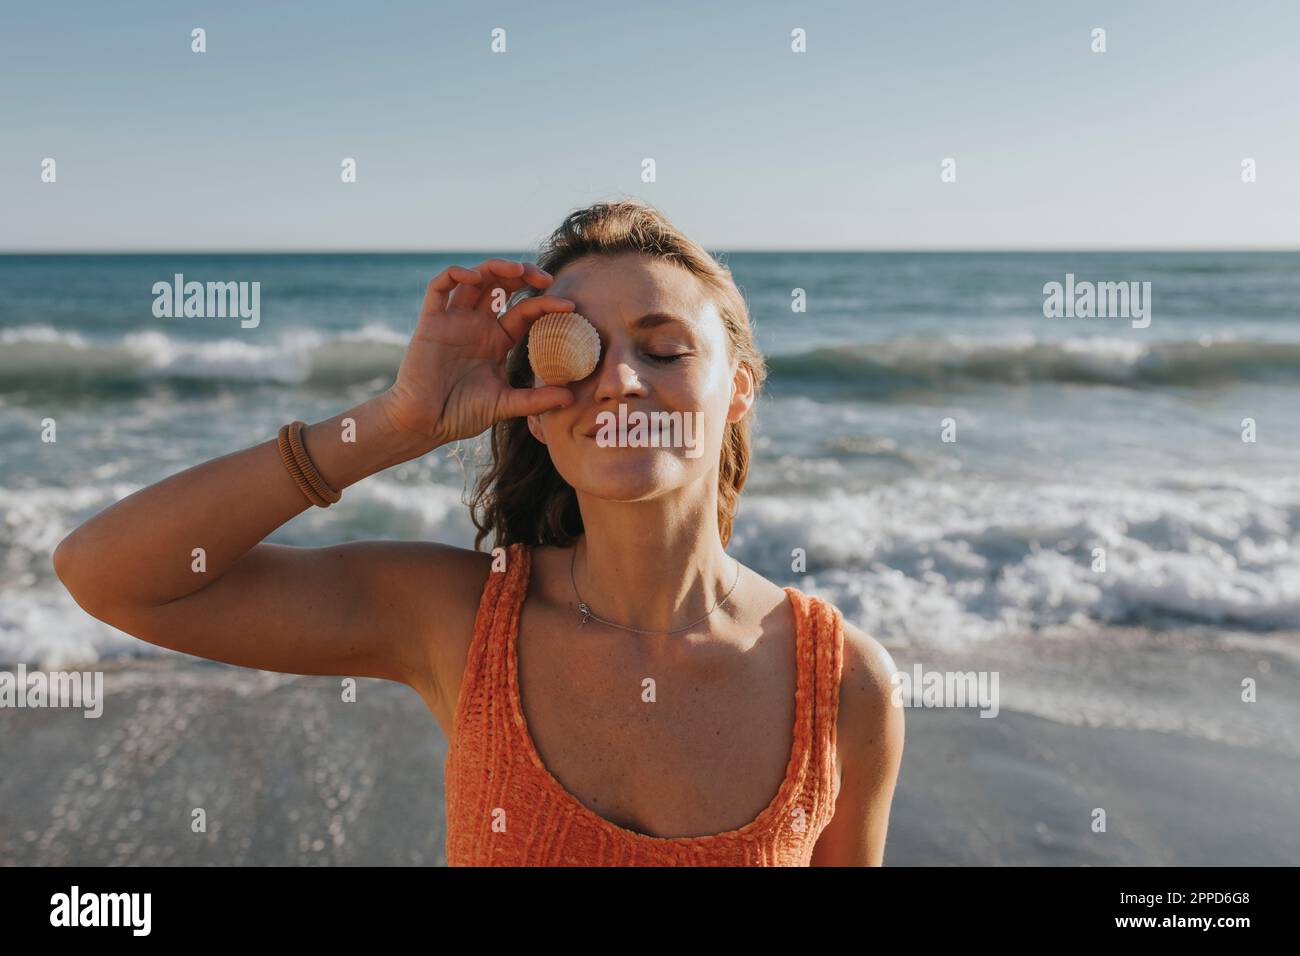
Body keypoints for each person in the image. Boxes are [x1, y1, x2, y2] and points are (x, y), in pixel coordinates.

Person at [54, 199, 904, 866]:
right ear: (537, 408)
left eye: (665, 350)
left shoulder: (842, 683)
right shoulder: (459, 622)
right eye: (581, 351)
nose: (621, 384)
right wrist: (397, 422)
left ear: (742, 387)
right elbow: (107, 573)